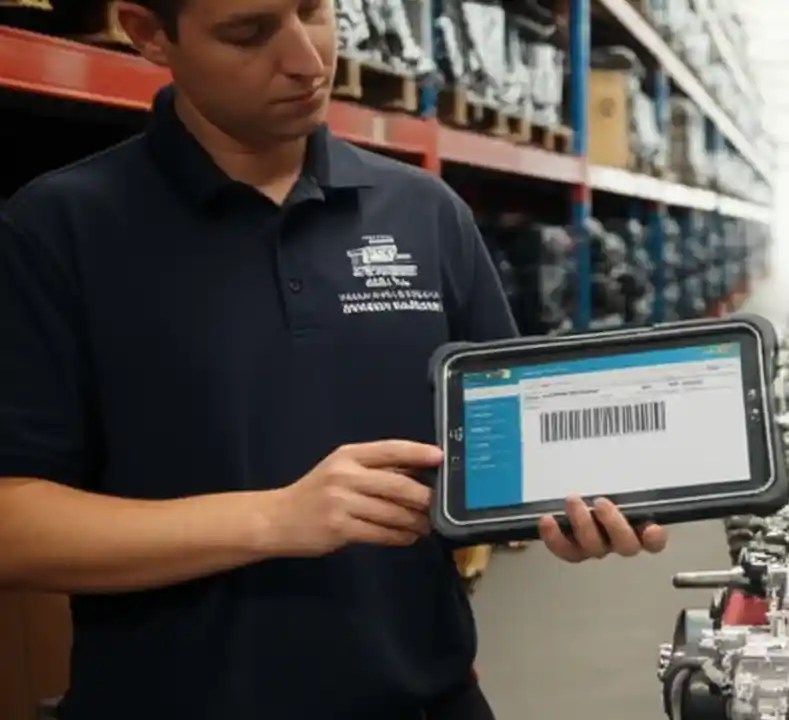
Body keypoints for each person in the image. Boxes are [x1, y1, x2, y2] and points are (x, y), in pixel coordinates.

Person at [0, 0, 668, 718]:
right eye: (249, 32)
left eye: (315, 10)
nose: (309, 60)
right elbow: (15, 527)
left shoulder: (426, 212)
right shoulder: (59, 230)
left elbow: (498, 463)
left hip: (423, 700)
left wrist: (567, 512)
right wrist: (274, 520)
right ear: (148, 33)